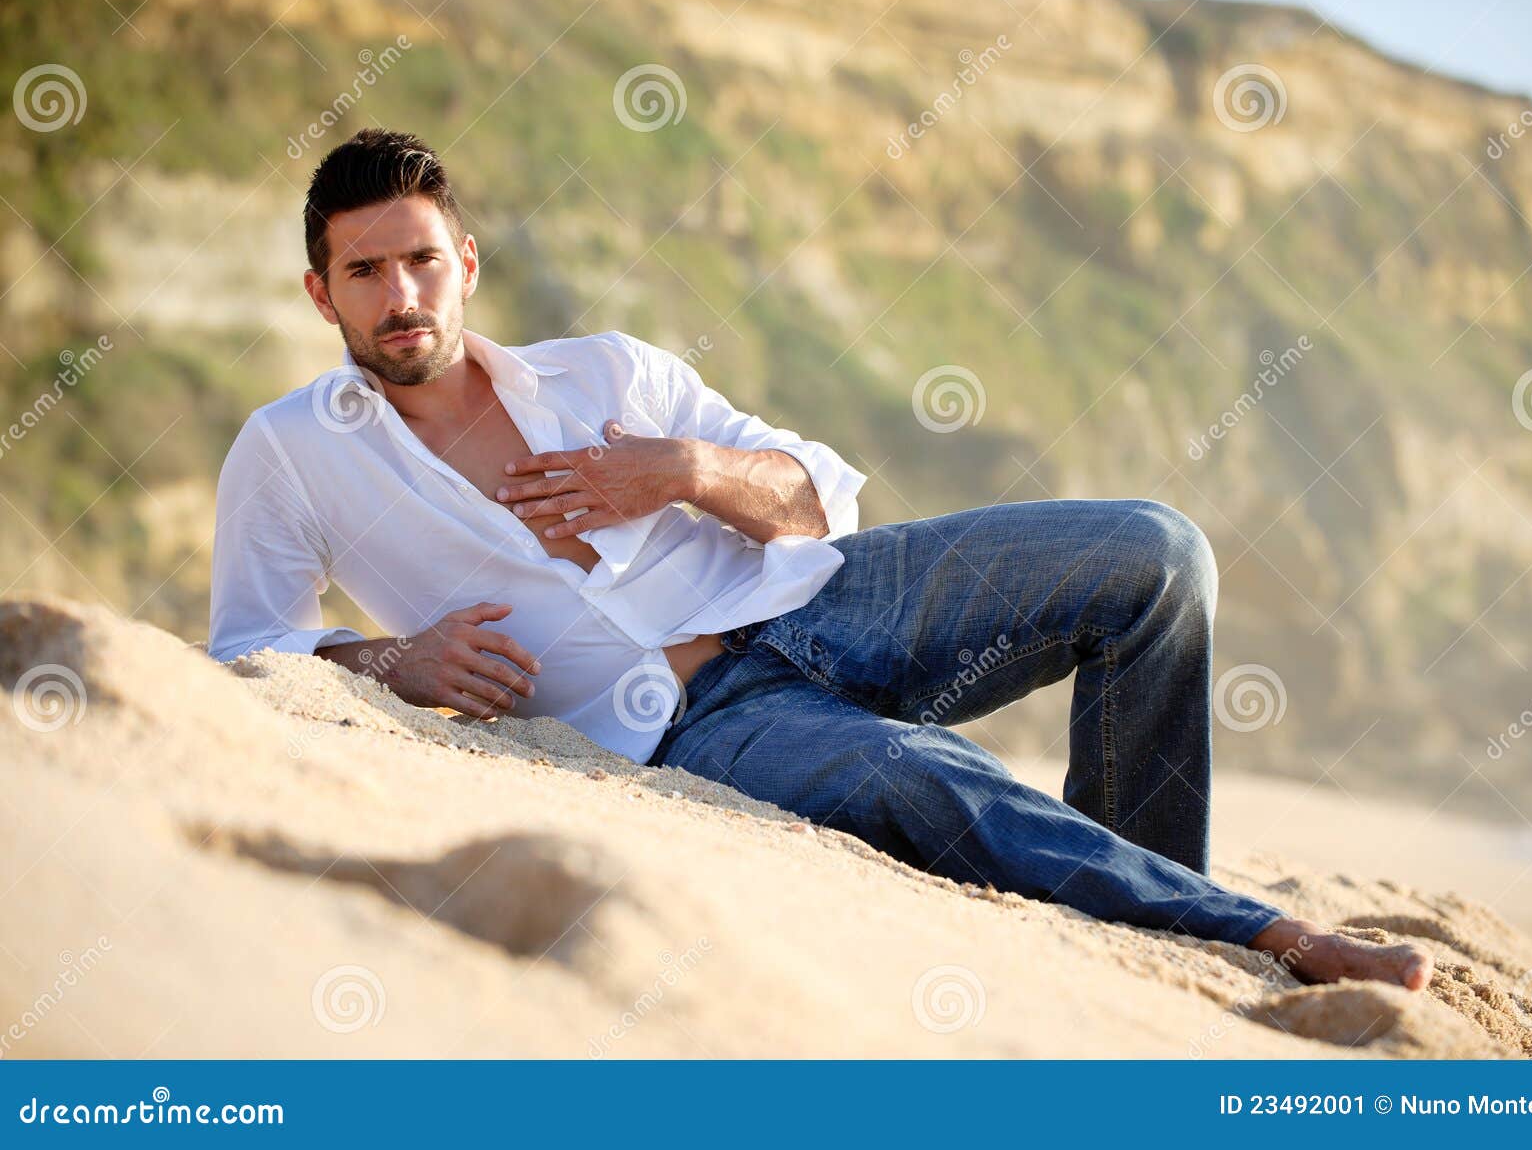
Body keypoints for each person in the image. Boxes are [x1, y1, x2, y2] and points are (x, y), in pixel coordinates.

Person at [208, 129, 1432, 992]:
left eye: (420, 260)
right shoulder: (294, 452)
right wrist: (398, 659)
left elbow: (816, 501)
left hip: (823, 606)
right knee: (927, 778)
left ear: (465, 261)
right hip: (693, 730)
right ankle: (1262, 935)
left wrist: (679, 471)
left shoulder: (607, 373)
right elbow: (246, 648)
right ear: (322, 295)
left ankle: (1166, 893)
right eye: (364, 272)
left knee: (1155, 556)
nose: (400, 295)